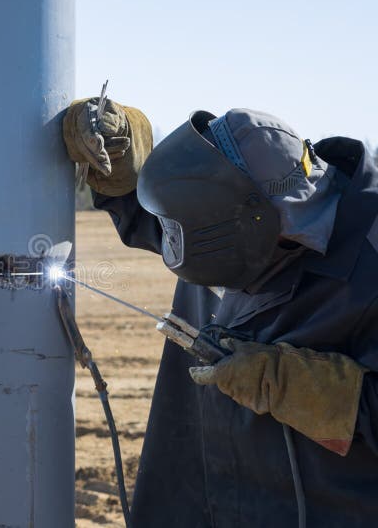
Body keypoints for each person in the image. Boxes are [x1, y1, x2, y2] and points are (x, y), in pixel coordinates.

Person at [62, 99, 378, 526]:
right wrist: (121, 157)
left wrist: (291, 384)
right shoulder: (242, 217)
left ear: (258, 226)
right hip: (201, 497)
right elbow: (178, 223)